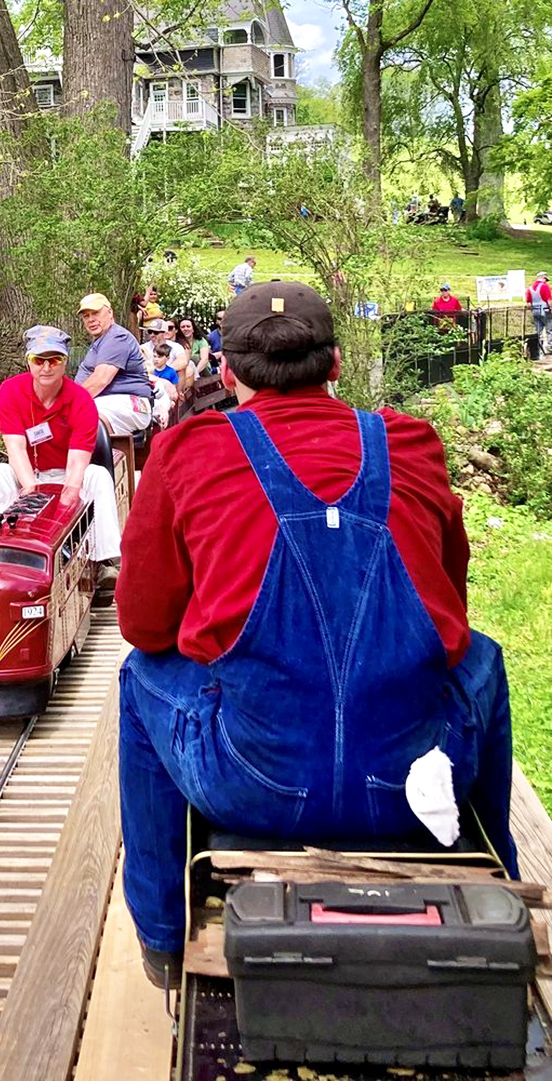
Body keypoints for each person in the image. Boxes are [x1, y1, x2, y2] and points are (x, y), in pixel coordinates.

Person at [116, 281, 518, 988]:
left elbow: (143, 625)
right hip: (409, 775)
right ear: (335, 363)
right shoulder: (411, 442)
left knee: (139, 676)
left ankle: (160, 935)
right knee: (483, 657)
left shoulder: (187, 453)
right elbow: (450, 611)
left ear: (228, 372)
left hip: (250, 779)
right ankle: (493, 880)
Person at [0, 325, 121, 577]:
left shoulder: (81, 400)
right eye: (39, 360)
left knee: (98, 476)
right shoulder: (10, 391)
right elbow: (15, 449)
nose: (46, 367)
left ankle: (106, 561)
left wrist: (59, 515)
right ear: (28, 362)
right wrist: (33, 493)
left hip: (66, 473)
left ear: (65, 362)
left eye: (54, 359)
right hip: (28, 475)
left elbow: (77, 465)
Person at [75, 293, 153, 436]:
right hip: (111, 402)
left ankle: (102, 458)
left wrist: (67, 404)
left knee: (84, 418)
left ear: (110, 313)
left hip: (129, 403)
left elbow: (100, 380)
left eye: (96, 313)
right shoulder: (102, 339)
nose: (91, 319)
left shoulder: (116, 338)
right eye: (86, 316)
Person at [526, 272, 552, 355]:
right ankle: (550, 347)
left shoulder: (530, 288)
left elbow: (529, 303)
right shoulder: (544, 286)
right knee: (549, 329)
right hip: (545, 310)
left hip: (535, 311)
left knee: (538, 331)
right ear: (544, 278)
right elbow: (549, 300)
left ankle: (538, 348)